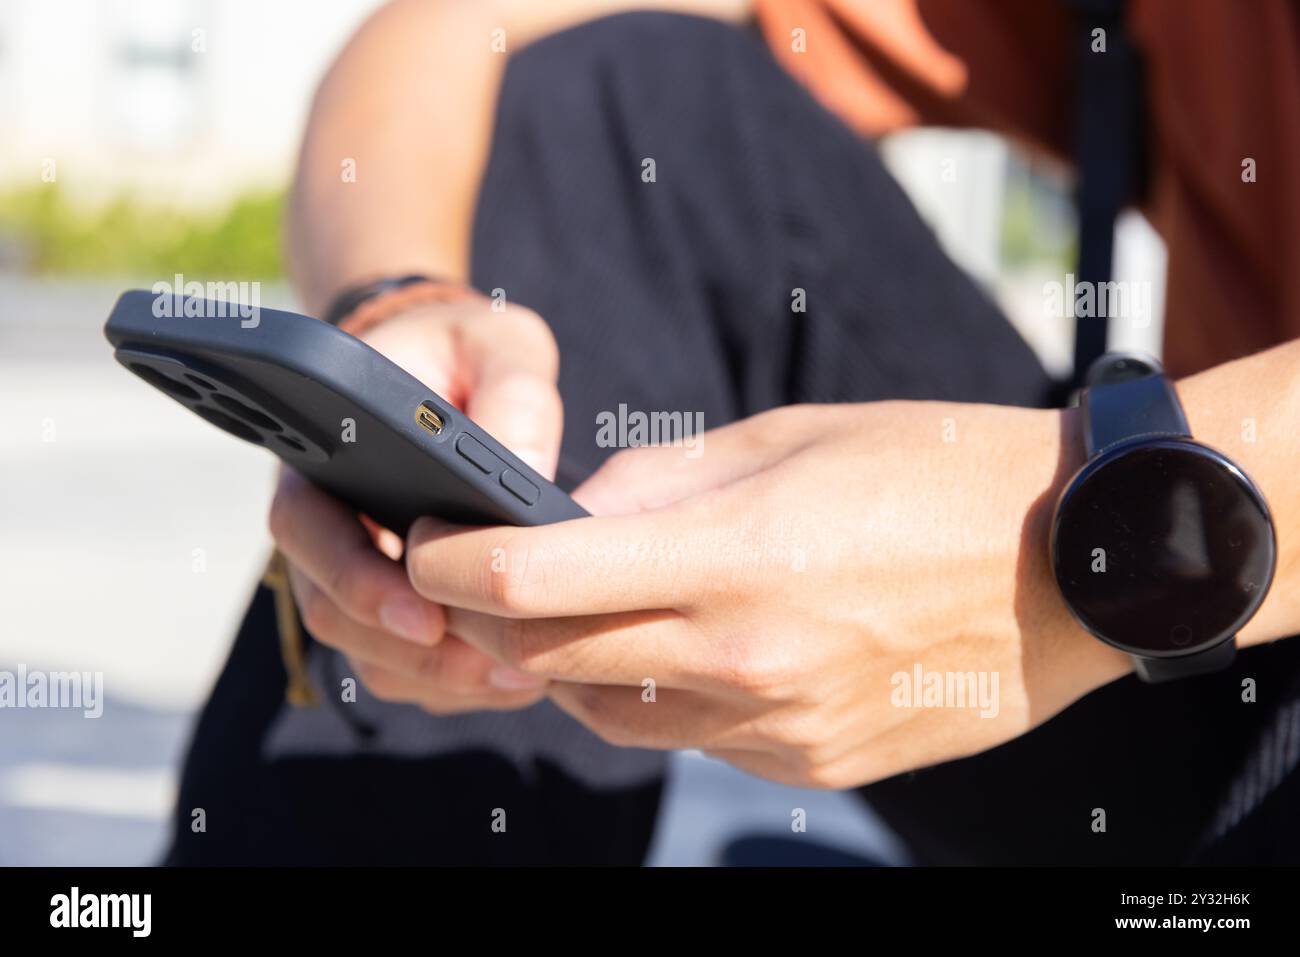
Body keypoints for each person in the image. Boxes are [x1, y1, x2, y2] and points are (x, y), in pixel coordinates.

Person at [166, 0, 1300, 865]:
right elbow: (462, 26)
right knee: (617, 100)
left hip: (1178, 570)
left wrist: (1061, 561)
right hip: (1185, 682)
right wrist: (396, 310)